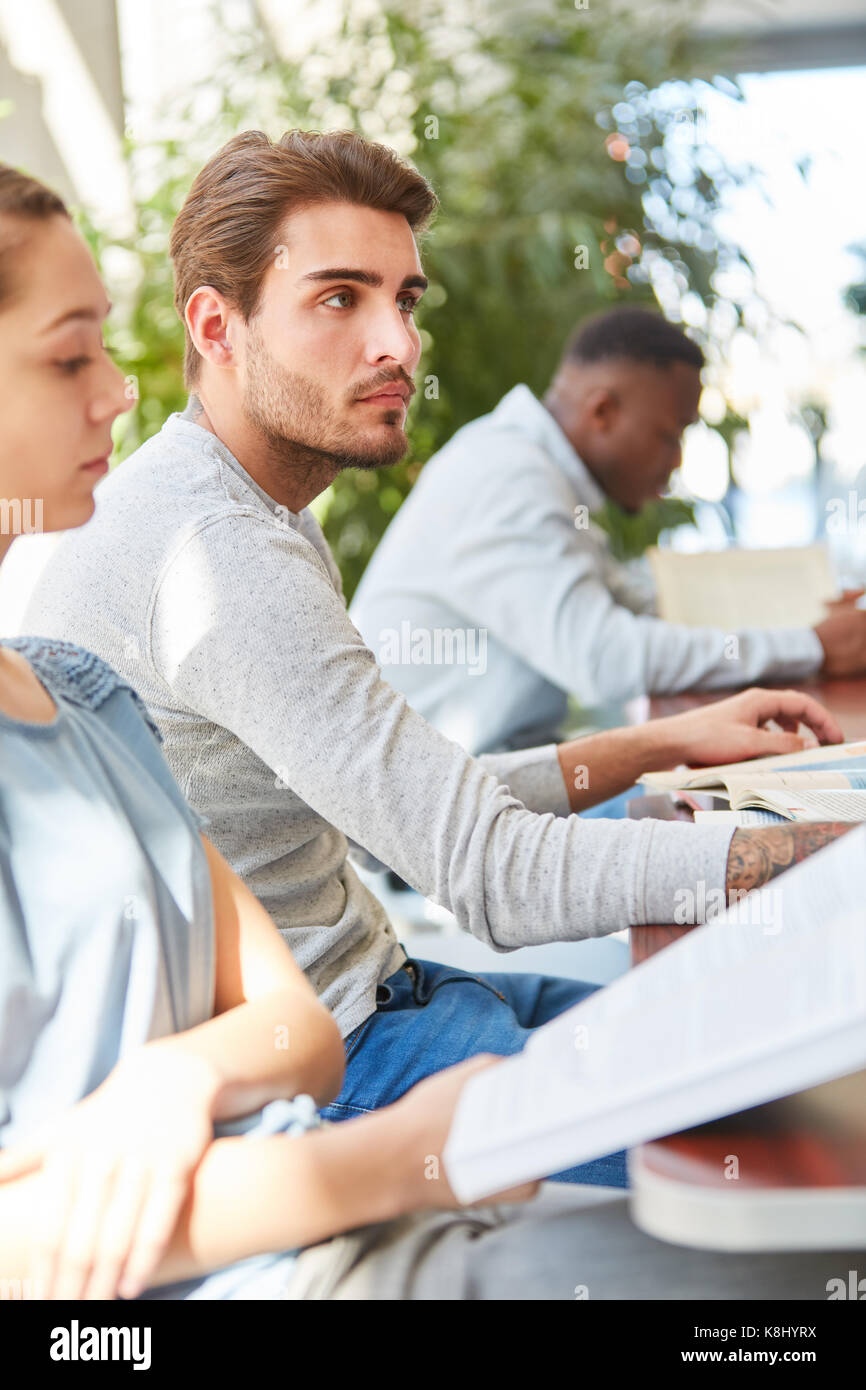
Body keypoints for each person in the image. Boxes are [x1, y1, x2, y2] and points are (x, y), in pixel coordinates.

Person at [21, 133, 850, 1192]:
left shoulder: (243, 503)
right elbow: (492, 872)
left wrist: (658, 744)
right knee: (794, 1140)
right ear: (216, 327)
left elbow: (404, 814)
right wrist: (829, 866)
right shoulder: (214, 553)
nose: (397, 345)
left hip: (394, 992)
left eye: (404, 301)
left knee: (773, 1042)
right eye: (339, 299)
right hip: (344, 1071)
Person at [350, 307, 866, 755]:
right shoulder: (507, 476)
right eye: (670, 434)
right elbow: (604, 659)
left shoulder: (526, 465)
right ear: (603, 411)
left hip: (487, 795)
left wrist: (808, 616)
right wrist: (812, 647)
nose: (679, 460)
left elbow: (645, 607)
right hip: (434, 846)